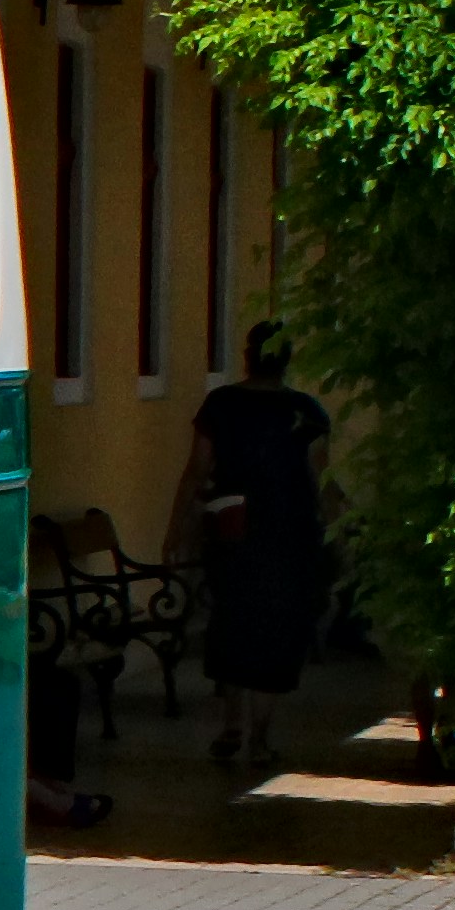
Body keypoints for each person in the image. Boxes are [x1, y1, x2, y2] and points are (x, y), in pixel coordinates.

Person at [178, 322, 334, 767]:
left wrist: (179, 527)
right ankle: (260, 738)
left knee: (232, 622)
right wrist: (338, 529)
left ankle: (231, 723)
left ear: (247, 356)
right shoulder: (305, 412)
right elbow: (320, 477)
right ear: (286, 360)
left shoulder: (221, 405)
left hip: (232, 529)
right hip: (290, 534)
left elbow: (196, 470)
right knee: (276, 633)